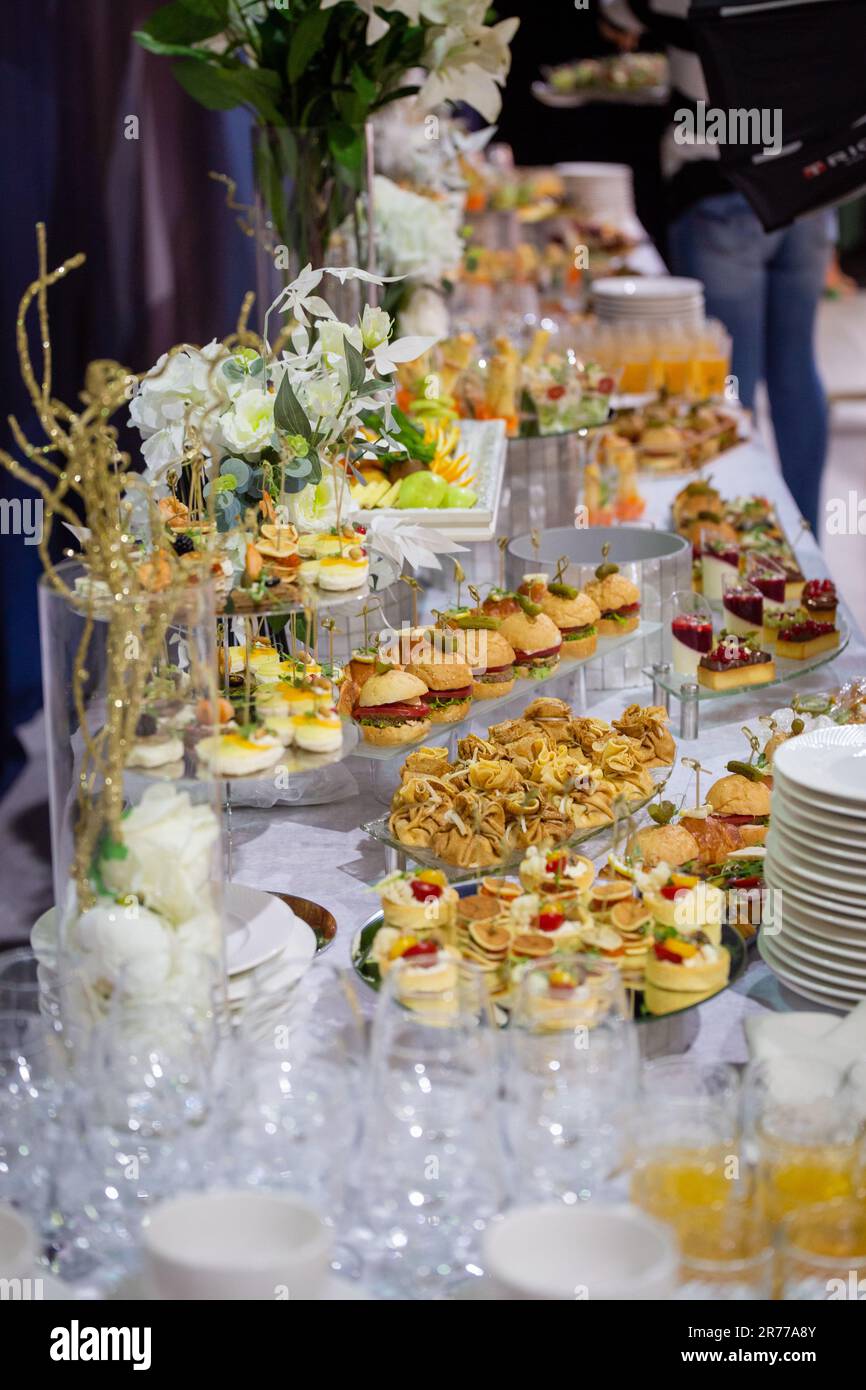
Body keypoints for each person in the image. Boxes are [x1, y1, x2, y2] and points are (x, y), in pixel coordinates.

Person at [599, 0, 835, 533]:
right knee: (795, 367)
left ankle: (729, 549)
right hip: (808, 182)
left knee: (726, 389)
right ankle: (801, 543)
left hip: (720, 181)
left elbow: (620, 12)